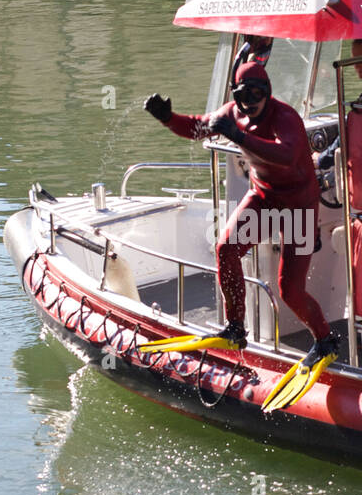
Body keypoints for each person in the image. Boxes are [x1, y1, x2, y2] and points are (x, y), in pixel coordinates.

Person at [140, 60, 340, 411]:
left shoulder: (285, 117)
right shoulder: (234, 113)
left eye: (257, 94)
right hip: (264, 195)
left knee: (289, 290)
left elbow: (287, 153)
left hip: (299, 205)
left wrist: (239, 136)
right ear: (235, 95)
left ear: (268, 92)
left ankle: (326, 341)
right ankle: (235, 328)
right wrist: (168, 118)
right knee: (226, 248)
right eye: (243, 95)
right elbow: (201, 128)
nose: (250, 102)